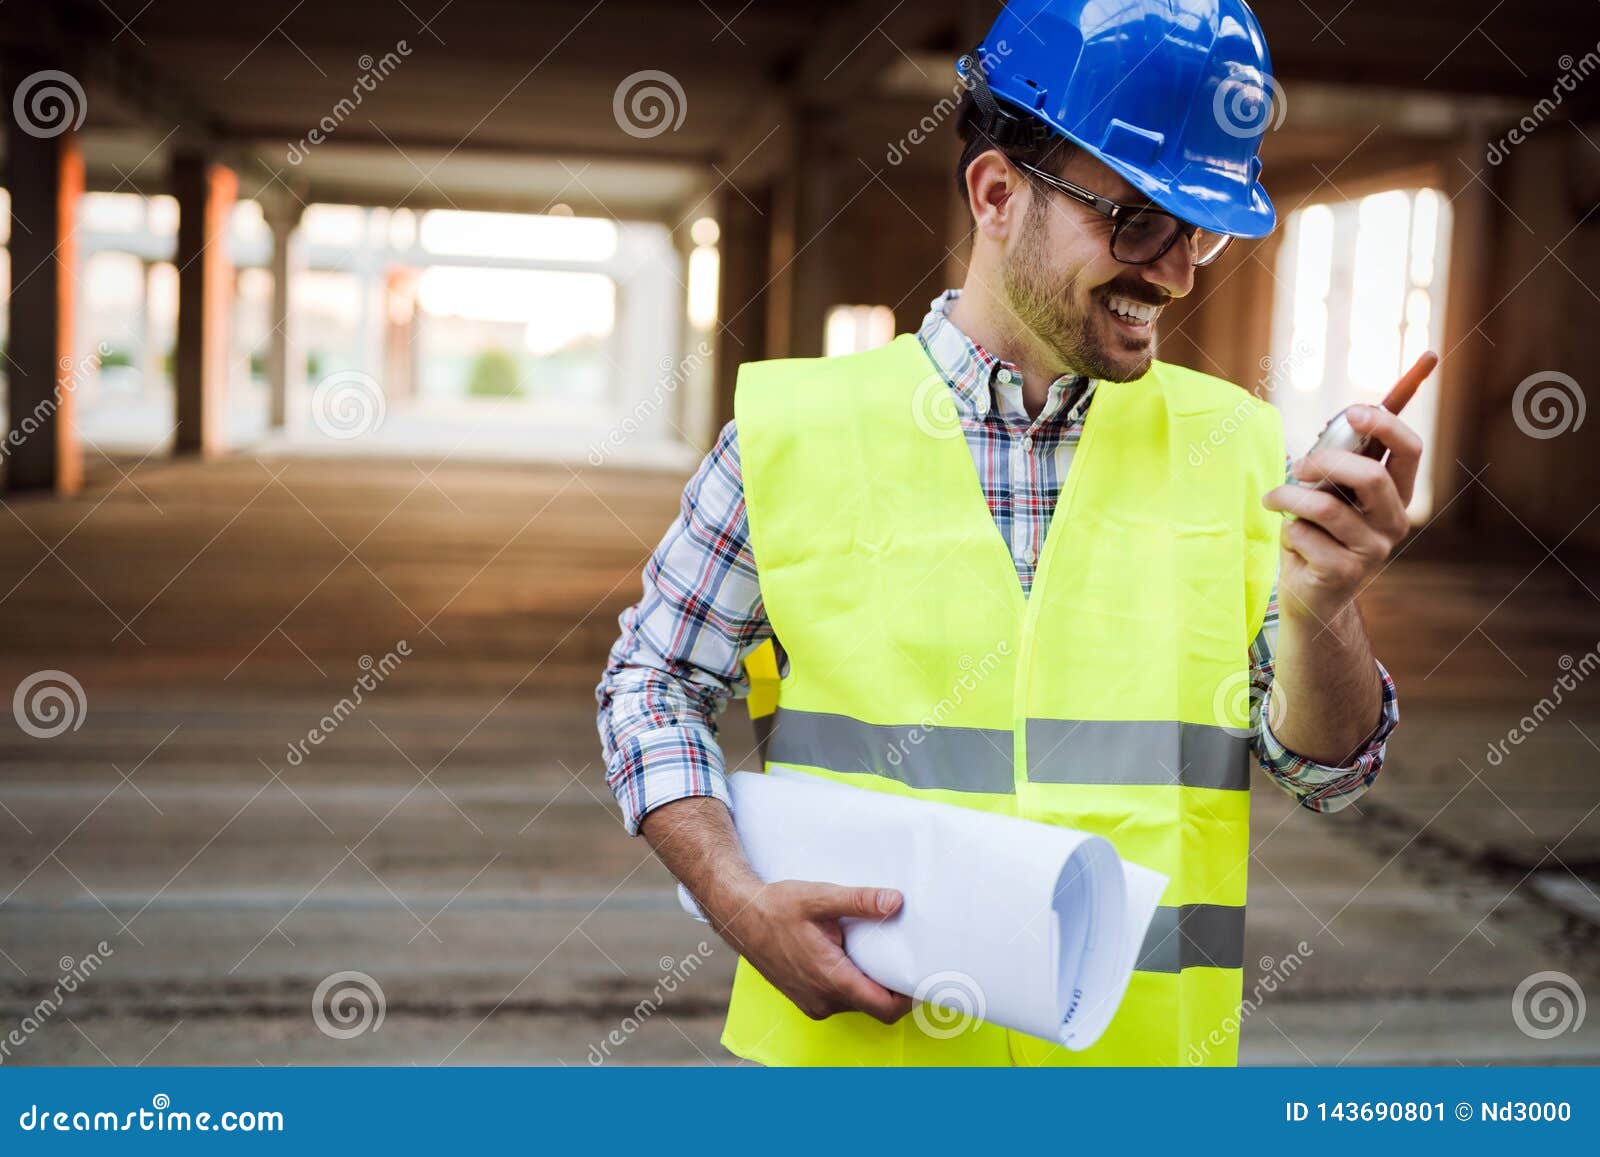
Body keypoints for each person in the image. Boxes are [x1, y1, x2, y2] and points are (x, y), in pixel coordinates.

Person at [597, 0, 1417, 1066]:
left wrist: (1325, 609)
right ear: (995, 193)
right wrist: (733, 893)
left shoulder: (1242, 450)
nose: (1172, 272)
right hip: (857, 1082)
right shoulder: (791, 434)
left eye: (1199, 231)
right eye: (1135, 220)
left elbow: (1327, 773)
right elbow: (650, 683)